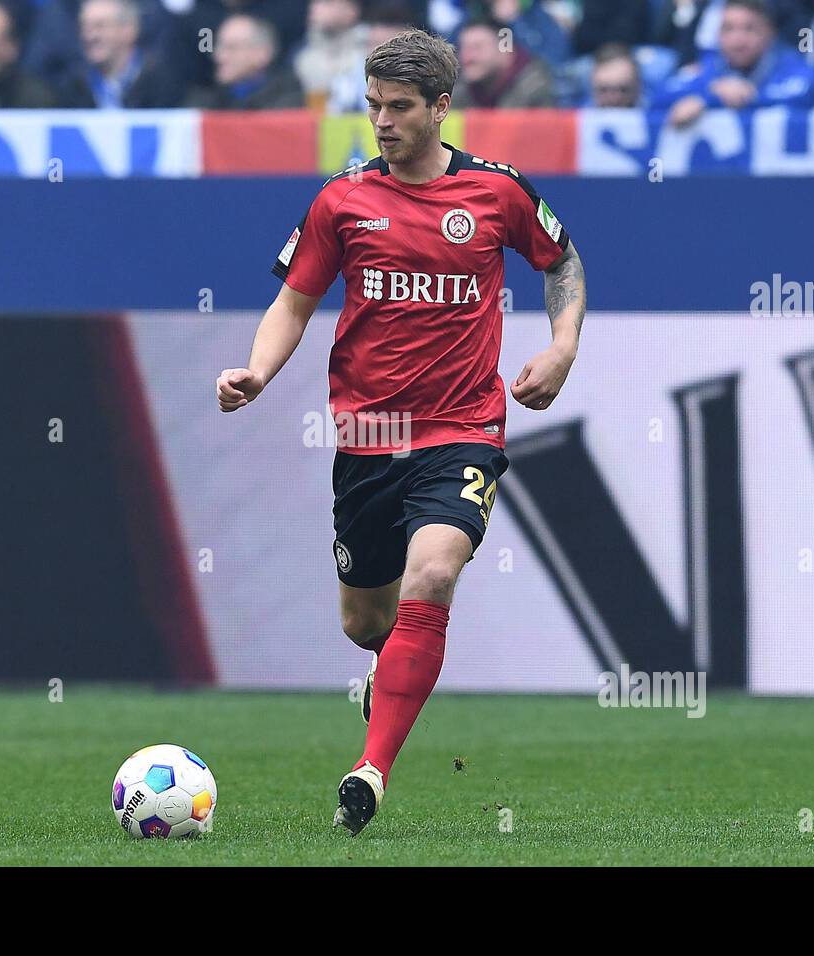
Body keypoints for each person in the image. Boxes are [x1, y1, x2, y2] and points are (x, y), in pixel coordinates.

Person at [215, 28, 586, 835]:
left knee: (435, 574)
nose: (380, 121)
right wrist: (256, 371)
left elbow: (559, 261)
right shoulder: (341, 199)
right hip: (368, 441)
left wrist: (562, 347)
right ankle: (389, 688)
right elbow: (295, 300)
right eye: (373, 105)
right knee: (367, 626)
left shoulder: (497, 192)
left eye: (398, 107)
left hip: (462, 431)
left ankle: (370, 770)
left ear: (441, 108)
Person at [656, 0, 814, 127]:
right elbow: (660, 95)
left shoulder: (791, 64)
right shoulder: (711, 66)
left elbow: (805, 91)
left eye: (749, 29)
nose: (738, 40)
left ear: (769, 32)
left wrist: (747, 95)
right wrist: (710, 94)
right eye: (728, 29)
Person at [61, 0, 183, 107]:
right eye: (85, 27)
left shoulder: (167, 85)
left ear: (129, 30)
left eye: (100, 26)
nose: (89, 36)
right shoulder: (71, 87)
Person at [185, 12, 304, 108]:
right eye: (219, 46)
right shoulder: (205, 100)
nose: (219, 56)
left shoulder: (288, 102)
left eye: (232, 48)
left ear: (262, 54)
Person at [452, 15, 554, 107]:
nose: (467, 57)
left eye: (477, 48)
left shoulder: (536, 89)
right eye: (463, 48)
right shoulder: (456, 92)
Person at [293, 0, 367, 109]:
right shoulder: (302, 56)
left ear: (351, 11)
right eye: (315, 3)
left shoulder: (367, 51)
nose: (316, 8)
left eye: (327, 3)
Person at [587, 42, 643, 107]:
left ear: (638, 88)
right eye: (603, 90)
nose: (613, 99)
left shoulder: (654, 115)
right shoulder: (578, 114)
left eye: (623, 89)